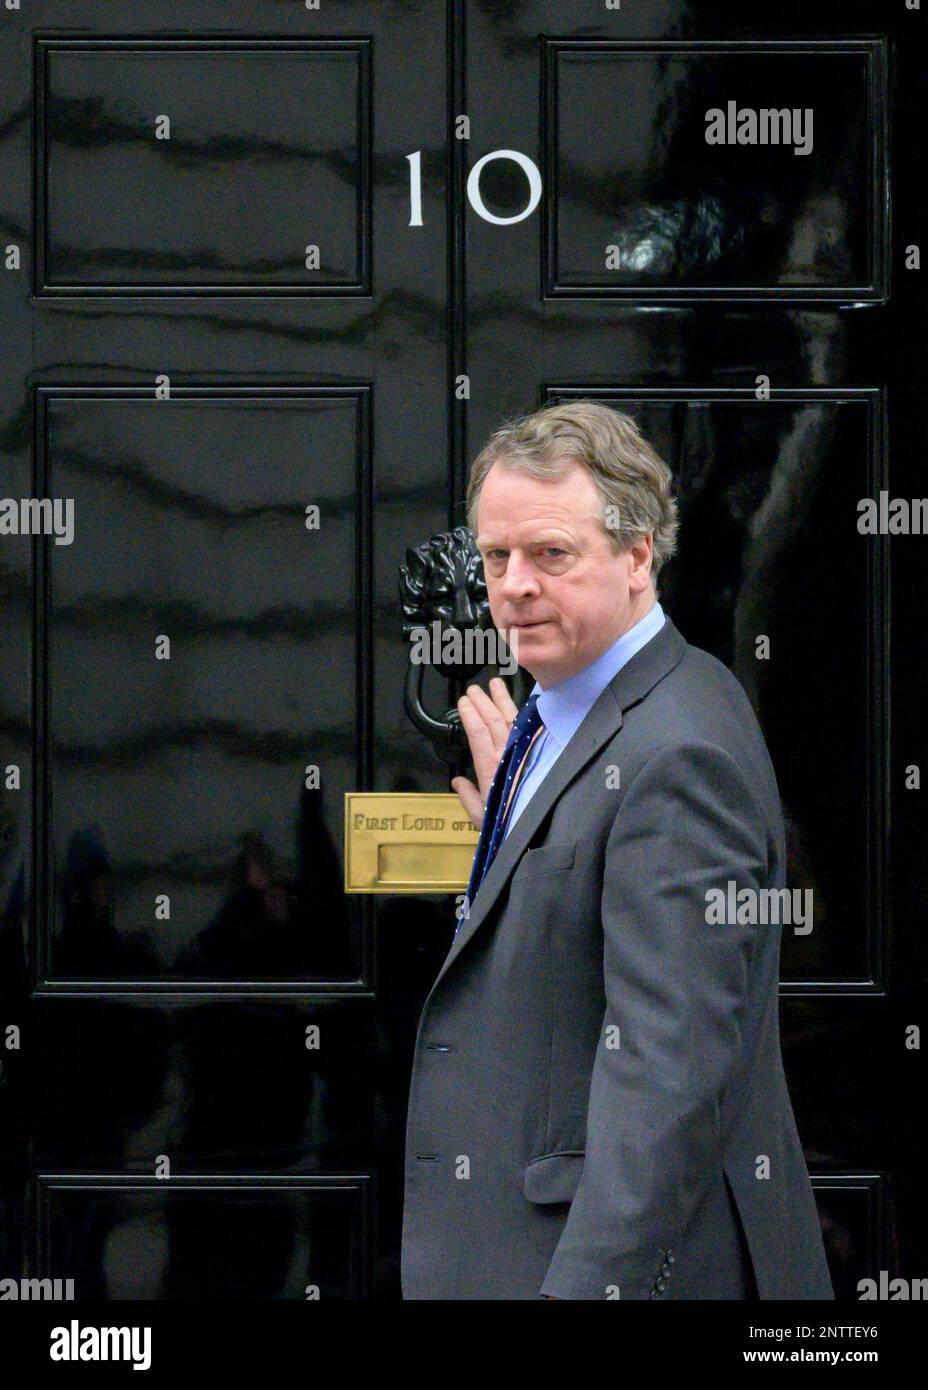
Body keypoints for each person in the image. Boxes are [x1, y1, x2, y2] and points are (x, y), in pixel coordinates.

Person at [400, 399, 834, 1300]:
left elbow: (668, 1081)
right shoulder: (573, 704)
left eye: (551, 554)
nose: (513, 585)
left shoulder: (678, 751)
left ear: (638, 556)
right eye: (495, 556)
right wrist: (515, 845)